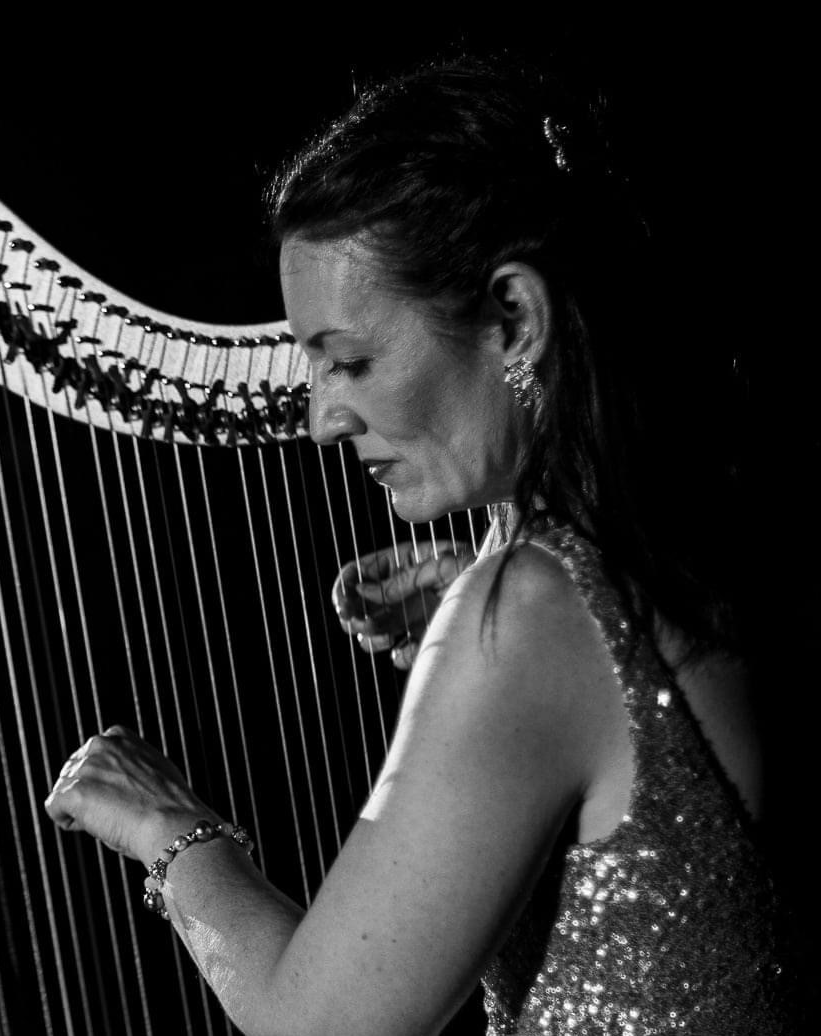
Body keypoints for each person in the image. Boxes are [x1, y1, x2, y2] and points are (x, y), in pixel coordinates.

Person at [42, 50, 810, 1035]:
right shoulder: (694, 551)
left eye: (350, 361)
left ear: (514, 318)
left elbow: (315, 1026)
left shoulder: (535, 616)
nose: (322, 421)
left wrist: (170, 833)